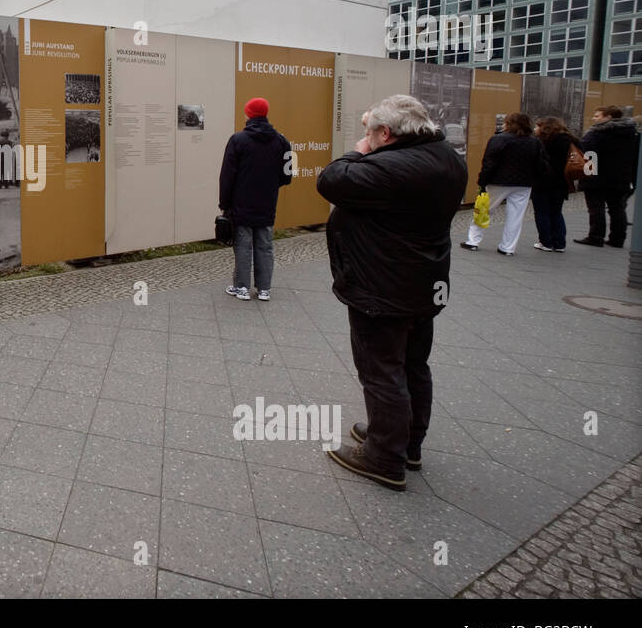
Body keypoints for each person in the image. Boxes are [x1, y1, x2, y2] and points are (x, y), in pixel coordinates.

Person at [317, 95, 468, 491]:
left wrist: (361, 148)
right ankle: (407, 443)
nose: (366, 139)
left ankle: (384, 456)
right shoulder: (447, 158)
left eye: (371, 132)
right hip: (423, 282)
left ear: (386, 133)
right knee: (413, 365)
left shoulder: (395, 165)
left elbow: (331, 179)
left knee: (382, 371)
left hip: (384, 287)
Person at [218, 97, 292, 301]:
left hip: (241, 203)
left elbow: (227, 176)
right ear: (266, 114)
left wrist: (225, 204)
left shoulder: (238, 140)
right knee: (265, 245)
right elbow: (287, 175)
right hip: (267, 203)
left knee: (243, 244)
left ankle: (241, 287)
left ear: (248, 114)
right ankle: (264, 289)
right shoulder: (282, 141)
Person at [461, 112, 546, 255]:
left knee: (484, 210)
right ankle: (507, 248)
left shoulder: (498, 139)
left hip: (498, 182)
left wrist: (482, 181)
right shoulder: (534, 142)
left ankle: (473, 241)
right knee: (515, 217)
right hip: (523, 184)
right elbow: (540, 165)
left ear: (508, 123)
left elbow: (489, 162)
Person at [574, 105, 640, 248]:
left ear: (608, 117)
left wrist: (586, 175)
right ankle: (617, 239)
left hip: (596, 177)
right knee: (617, 208)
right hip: (621, 177)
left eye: (597, 116)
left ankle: (596, 237)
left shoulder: (596, 133)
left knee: (596, 207)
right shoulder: (632, 134)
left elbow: (587, 154)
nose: (594, 118)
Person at [531, 117, 578, 253]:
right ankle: (559, 243)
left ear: (545, 128)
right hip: (562, 183)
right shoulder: (570, 139)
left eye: (537, 126)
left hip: (543, 182)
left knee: (542, 212)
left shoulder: (543, 141)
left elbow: (538, 162)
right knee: (556, 212)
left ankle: (545, 242)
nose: (535, 129)